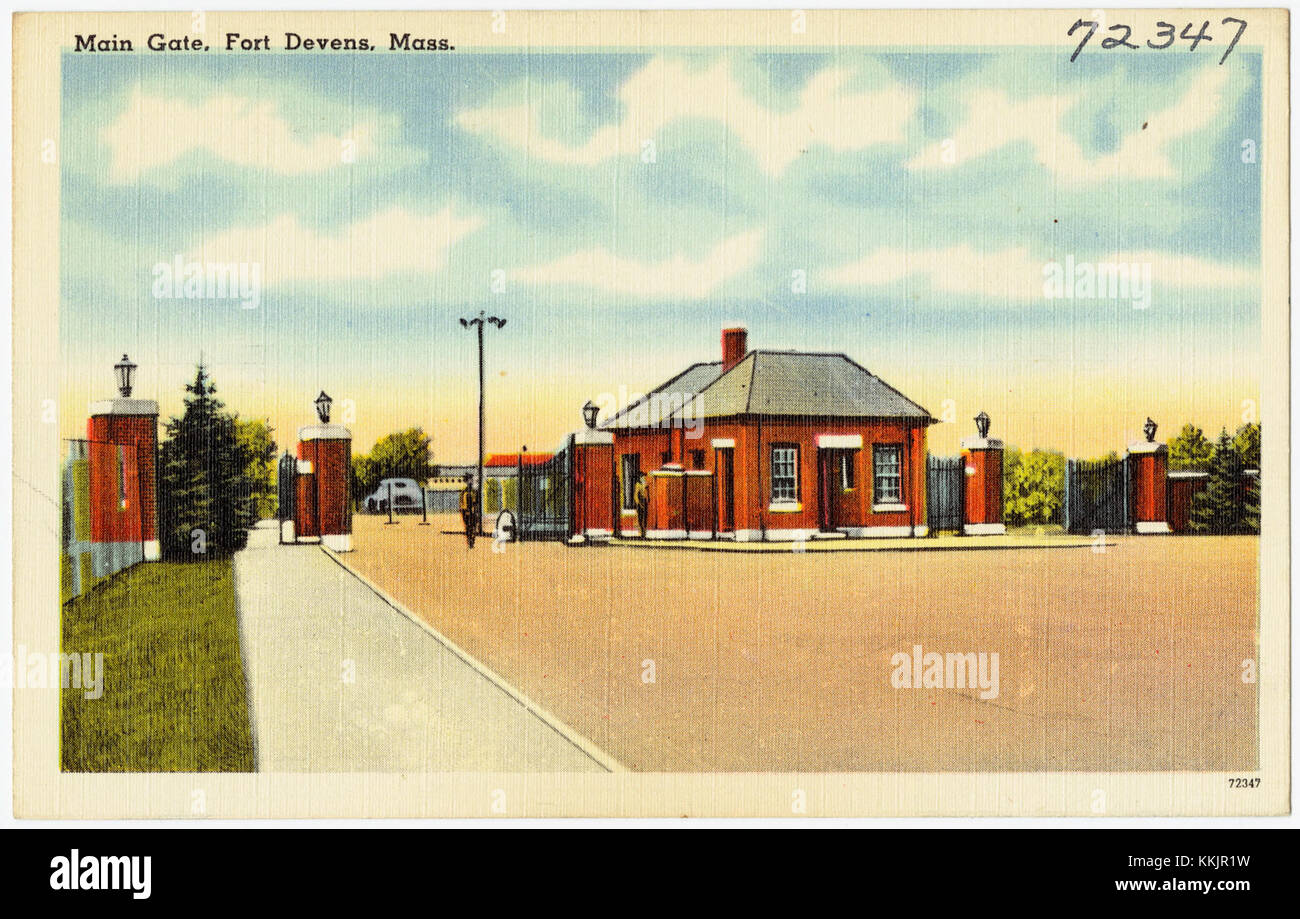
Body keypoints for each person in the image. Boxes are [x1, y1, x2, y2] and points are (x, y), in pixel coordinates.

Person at [460, 475, 479, 548]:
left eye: (471, 480)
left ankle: (472, 541)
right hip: (465, 511)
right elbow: (461, 502)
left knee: (473, 527)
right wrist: (462, 510)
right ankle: (469, 541)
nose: (470, 481)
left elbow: (477, 502)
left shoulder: (474, 491)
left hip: (473, 512)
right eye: (468, 480)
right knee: (468, 527)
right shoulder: (463, 491)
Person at [633, 472, 649, 538]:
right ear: (640, 477)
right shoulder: (638, 484)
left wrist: (648, 500)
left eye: (644, 476)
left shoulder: (645, 484)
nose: (644, 478)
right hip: (640, 502)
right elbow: (635, 495)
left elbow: (647, 494)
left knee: (645, 518)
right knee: (640, 518)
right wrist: (638, 503)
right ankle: (641, 532)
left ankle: (644, 532)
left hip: (645, 502)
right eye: (642, 476)